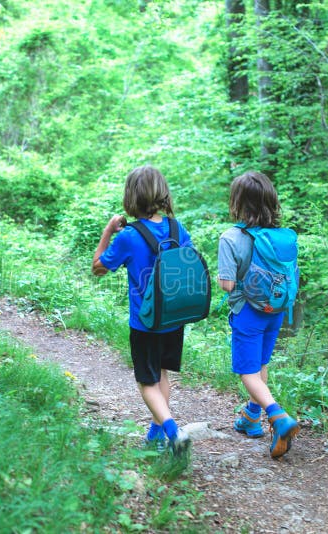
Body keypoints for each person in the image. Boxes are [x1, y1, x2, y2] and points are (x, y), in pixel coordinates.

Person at [91, 165, 191, 456]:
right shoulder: (177, 227)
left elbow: (98, 268)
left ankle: (173, 432)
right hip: (174, 318)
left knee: (146, 382)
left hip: (146, 323)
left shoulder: (128, 237)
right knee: (161, 375)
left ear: (131, 196)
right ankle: (154, 435)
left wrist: (109, 230)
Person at [217, 171, 299, 459]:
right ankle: (252, 417)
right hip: (275, 310)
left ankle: (279, 417)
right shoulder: (282, 237)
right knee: (261, 363)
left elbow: (227, 285)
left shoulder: (231, 237)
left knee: (246, 371)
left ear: (237, 202)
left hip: (247, 311)